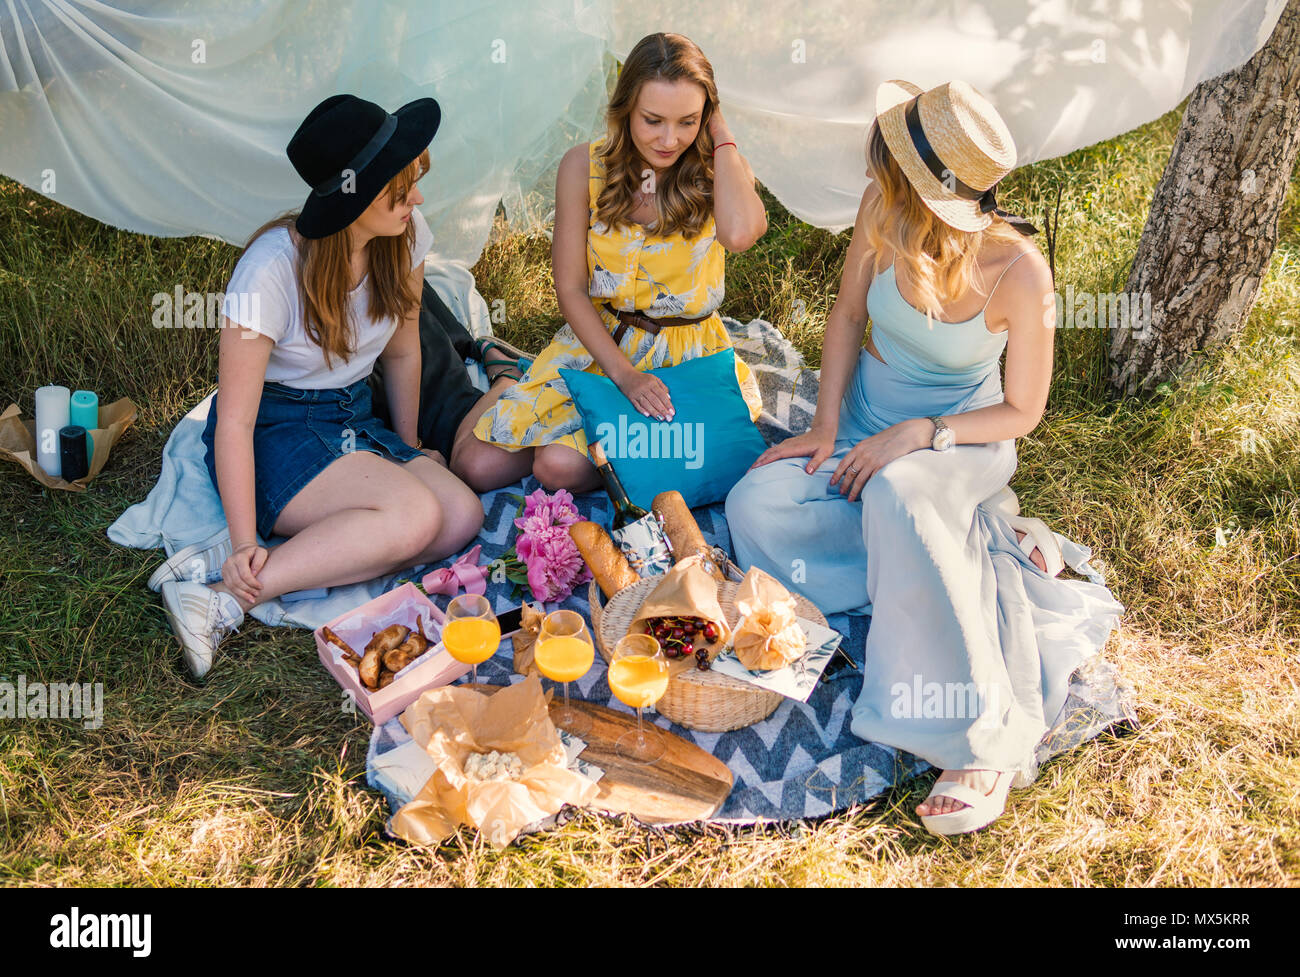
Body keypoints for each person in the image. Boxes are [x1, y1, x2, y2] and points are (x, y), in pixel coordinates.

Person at [724, 80, 1123, 835]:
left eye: (890, 172)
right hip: (865, 419)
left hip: (961, 441)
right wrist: (825, 423)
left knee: (898, 497)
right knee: (755, 505)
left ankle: (974, 737)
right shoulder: (883, 214)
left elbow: (1023, 412)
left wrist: (923, 434)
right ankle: (922, 567)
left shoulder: (1020, 271)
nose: (875, 183)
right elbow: (846, 314)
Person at [155, 94, 516, 680]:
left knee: (459, 515)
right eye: (401, 189)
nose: (417, 199)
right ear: (360, 198)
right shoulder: (269, 271)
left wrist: (407, 447)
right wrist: (246, 533)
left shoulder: (404, 237)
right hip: (277, 427)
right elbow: (238, 421)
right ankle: (225, 593)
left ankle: (252, 563)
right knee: (414, 516)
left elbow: (403, 351)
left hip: (352, 414)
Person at [466, 32, 767, 494]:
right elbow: (570, 289)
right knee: (475, 466)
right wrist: (624, 376)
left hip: (683, 356)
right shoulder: (583, 167)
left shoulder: (719, 170)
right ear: (625, 109)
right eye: (653, 120)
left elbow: (741, 234)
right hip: (602, 343)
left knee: (557, 468)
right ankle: (509, 372)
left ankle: (541, 398)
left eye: (688, 120)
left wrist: (722, 136)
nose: (670, 139)